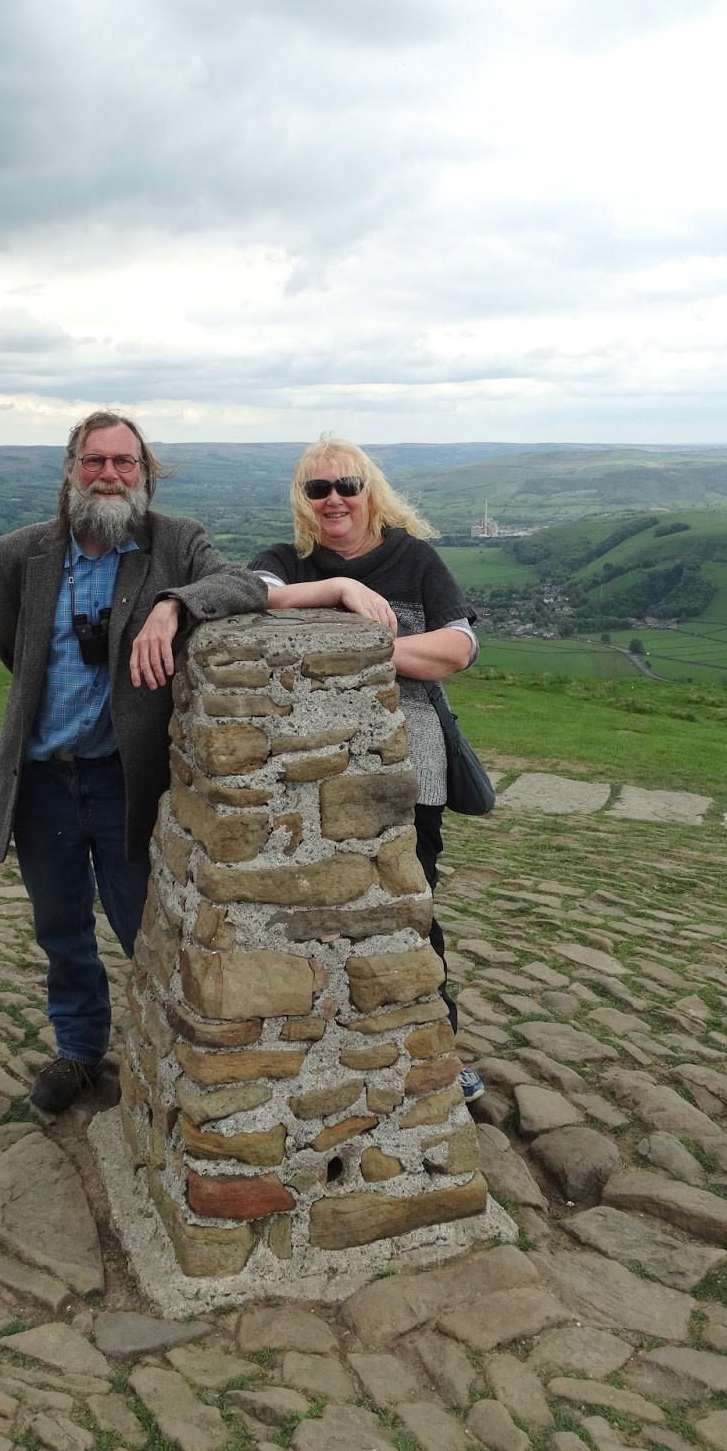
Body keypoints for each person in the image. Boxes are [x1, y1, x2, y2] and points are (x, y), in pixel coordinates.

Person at [0, 411, 266, 1113]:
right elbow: (13, 656)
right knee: (59, 927)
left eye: (124, 463)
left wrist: (174, 605)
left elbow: (243, 586)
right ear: (70, 469)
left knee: (142, 922)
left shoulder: (174, 541)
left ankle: (164, 1049)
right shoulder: (18, 556)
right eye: (94, 461)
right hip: (44, 778)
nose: (109, 475)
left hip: (122, 779)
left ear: (145, 473)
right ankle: (79, 1053)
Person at [250, 434, 485, 1103]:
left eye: (346, 486)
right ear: (303, 498)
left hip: (412, 769)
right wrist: (338, 587)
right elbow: (249, 596)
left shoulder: (415, 560)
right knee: (313, 911)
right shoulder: (288, 562)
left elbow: (457, 648)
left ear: (368, 491)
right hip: (308, 778)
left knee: (410, 909)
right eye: (317, 489)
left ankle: (437, 1044)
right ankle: (336, 1038)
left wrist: (362, 642)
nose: (334, 500)